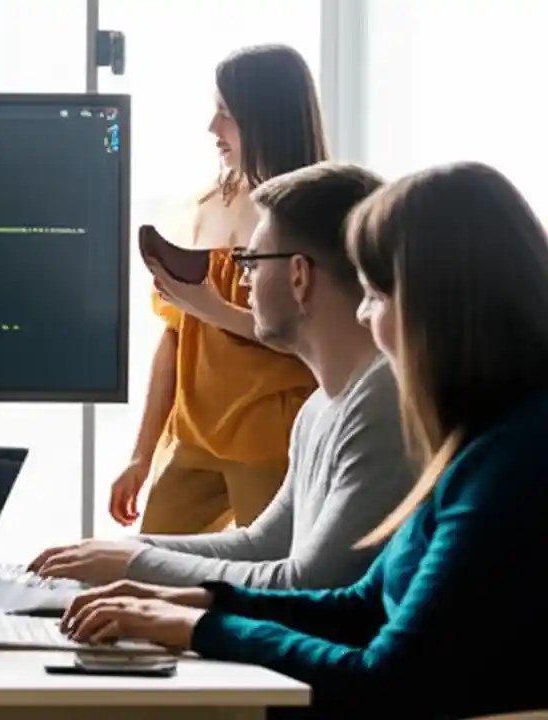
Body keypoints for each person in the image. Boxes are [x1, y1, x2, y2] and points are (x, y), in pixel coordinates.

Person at [60, 162, 548, 718]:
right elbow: (360, 606)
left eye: (375, 294)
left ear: (436, 306)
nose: (366, 314)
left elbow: (386, 676)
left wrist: (201, 627)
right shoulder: (480, 443)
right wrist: (196, 601)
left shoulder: (510, 460)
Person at [30, 163, 416, 591]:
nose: (243, 277)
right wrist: (117, 552)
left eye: (251, 259)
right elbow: (262, 544)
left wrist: (137, 564)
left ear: (299, 276)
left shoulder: (382, 402)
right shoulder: (321, 407)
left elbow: (308, 582)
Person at [112, 44, 323, 534]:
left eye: (226, 114)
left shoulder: (305, 214)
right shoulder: (207, 204)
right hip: (193, 435)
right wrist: (141, 455)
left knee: (269, 584)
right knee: (147, 570)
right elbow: (175, 338)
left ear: (266, 118)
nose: (212, 128)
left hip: (269, 434)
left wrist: (205, 305)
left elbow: (304, 336)